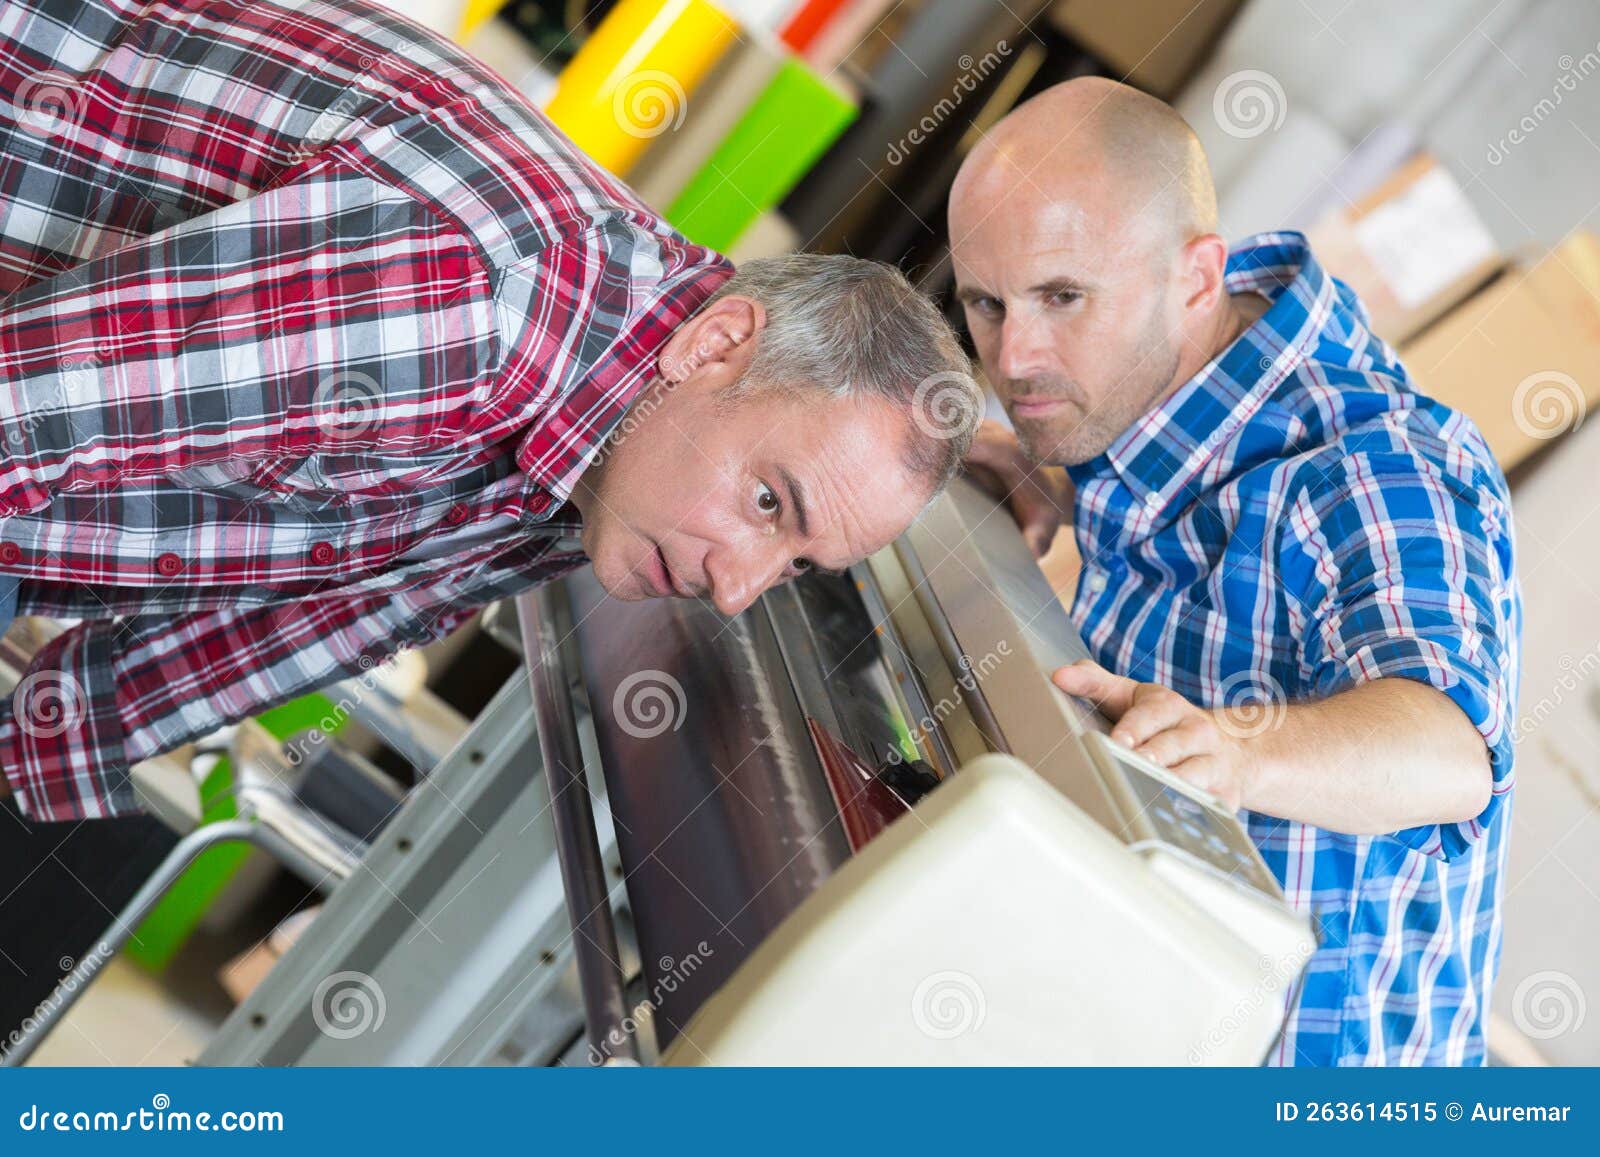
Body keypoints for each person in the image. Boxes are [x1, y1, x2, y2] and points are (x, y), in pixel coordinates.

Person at [0, 0, 980, 823]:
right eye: (770, 505)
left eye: (795, 565)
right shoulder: (473, 299)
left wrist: (39, 752)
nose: (734, 588)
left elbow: (322, 619)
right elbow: (19, 410)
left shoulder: (614, 455)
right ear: (715, 345)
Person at [954, 77, 1519, 1065]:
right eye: (983, 303)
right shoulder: (1142, 378)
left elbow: (1447, 752)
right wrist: (1017, 459)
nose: (1014, 353)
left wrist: (1232, 749)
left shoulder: (1370, 463)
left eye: (1059, 296)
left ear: (1194, 276)